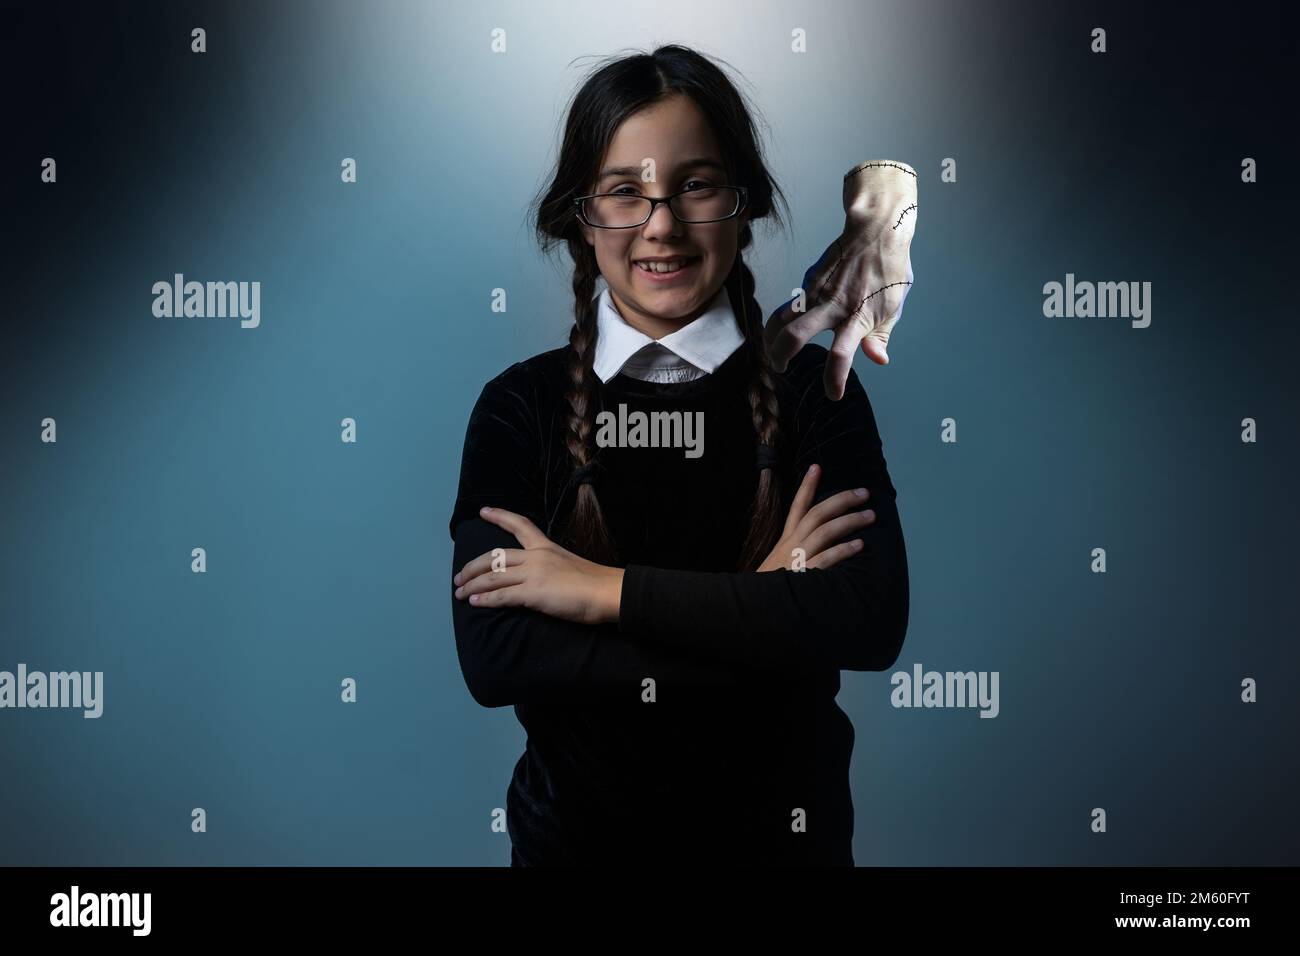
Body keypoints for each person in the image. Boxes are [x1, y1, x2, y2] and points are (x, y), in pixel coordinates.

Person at [448, 44, 909, 866]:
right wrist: (763, 611)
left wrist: (598, 594)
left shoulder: (812, 389)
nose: (661, 224)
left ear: (744, 204)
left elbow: (868, 621)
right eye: (625, 192)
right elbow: (497, 656)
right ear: (580, 218)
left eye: (695, 185)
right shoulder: (520, 406)